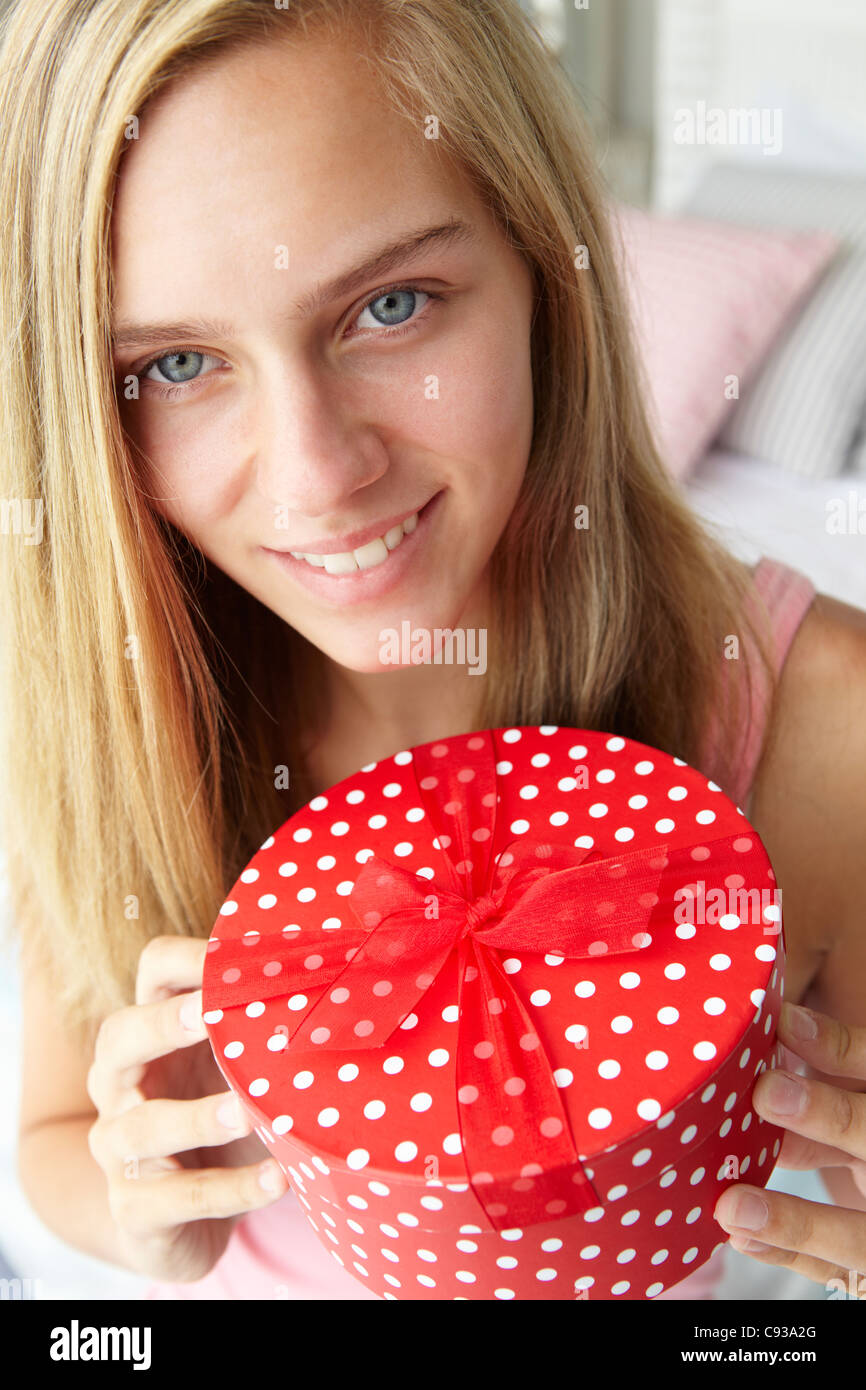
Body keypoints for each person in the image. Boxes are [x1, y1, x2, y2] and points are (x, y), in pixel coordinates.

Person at [2, 0, 865, 1303]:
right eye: (177, 363)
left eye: (390, 305)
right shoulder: (110, 714)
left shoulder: (824, 727)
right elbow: (57, 1135)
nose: (315, 481)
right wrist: (143, 1215)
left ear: (545, 271)